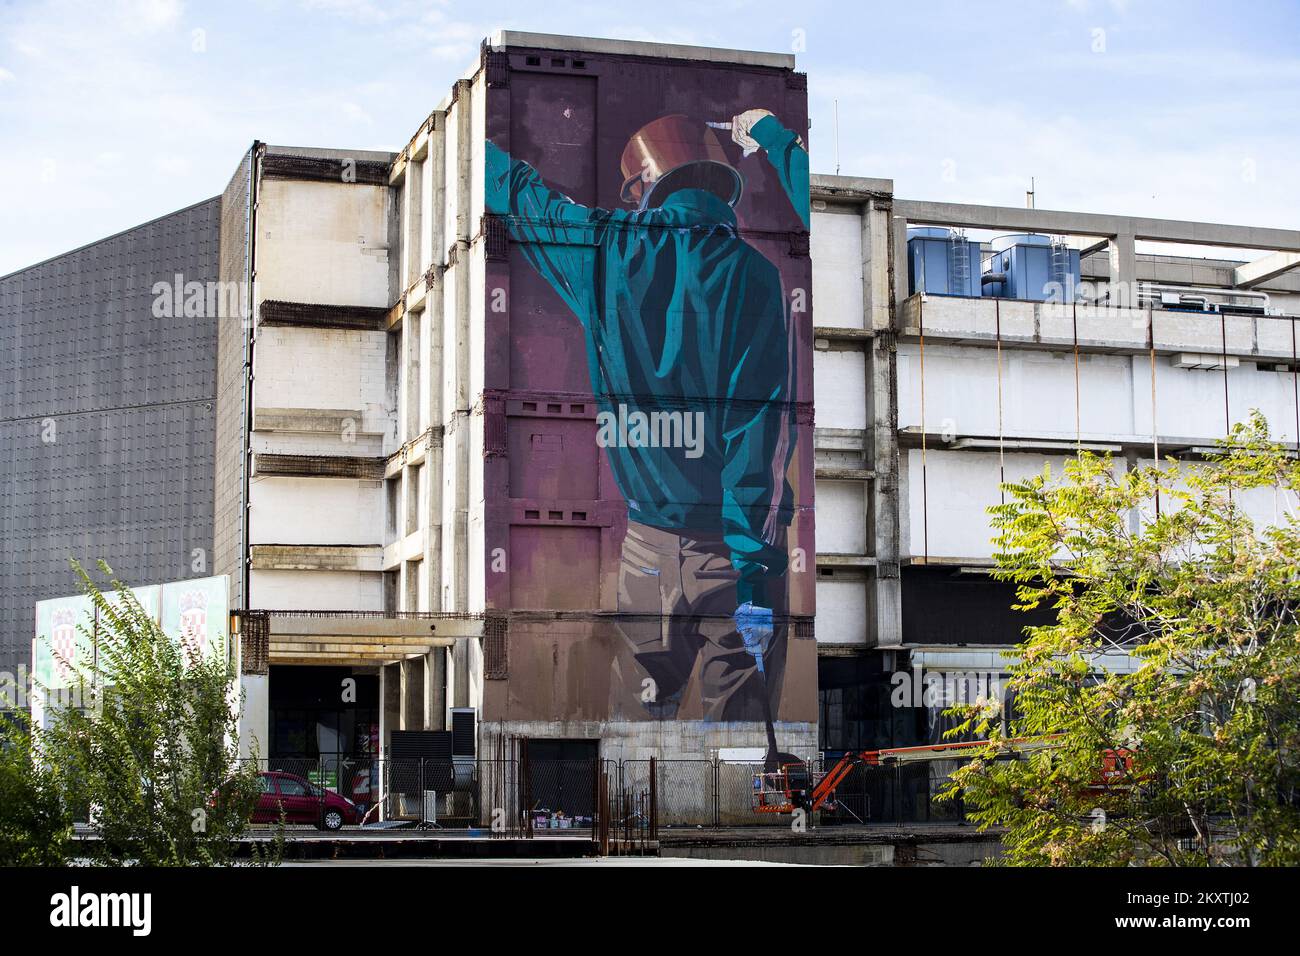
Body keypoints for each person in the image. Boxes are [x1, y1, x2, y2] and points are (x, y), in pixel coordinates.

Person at [486, 108, 809, 727]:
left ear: (643, 189)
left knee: (635, 746)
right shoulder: (758, 280)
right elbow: (758, 435)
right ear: (718, 187)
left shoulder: (605, 248)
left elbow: (527, 199)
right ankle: (733, 825)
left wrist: (472, 148)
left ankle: (638, 819)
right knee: (738, 748)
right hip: (736, 560)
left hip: (645, 553)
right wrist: (752, 575)